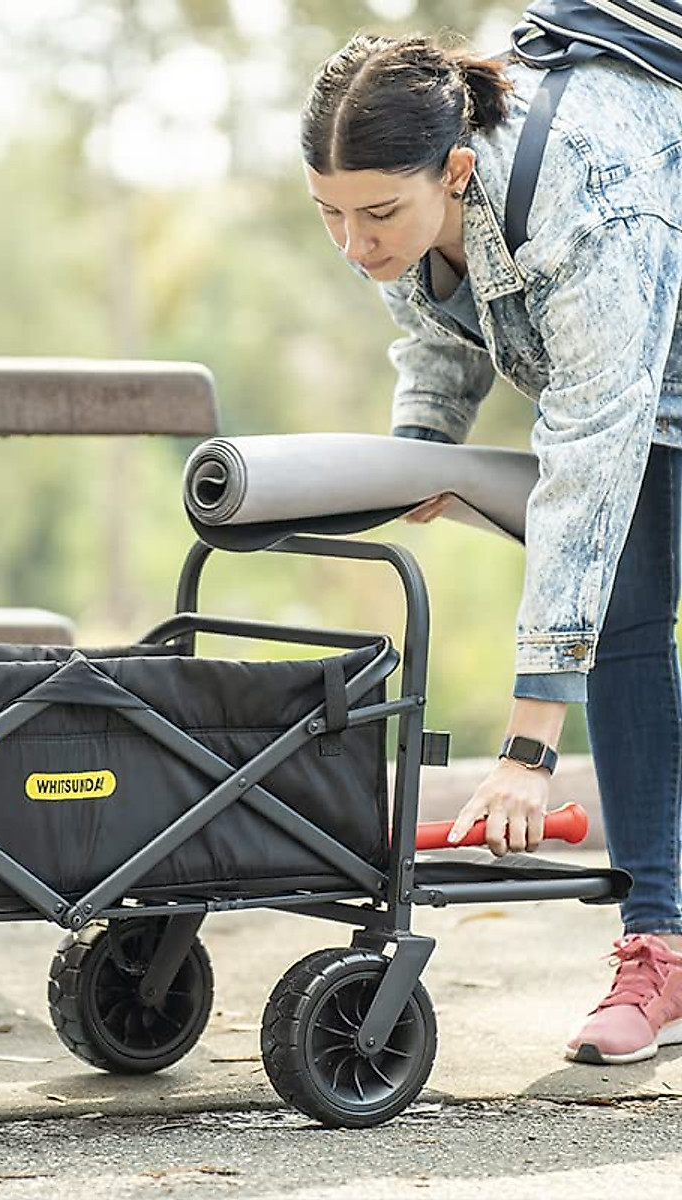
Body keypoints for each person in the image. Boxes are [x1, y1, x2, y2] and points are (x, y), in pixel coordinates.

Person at [299, 31, 682, 1065]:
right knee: (632, 624)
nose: (354, 243)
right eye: (329, 211)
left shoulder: (588, 205)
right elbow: (435, 331)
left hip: (650, 330)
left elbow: (589, 465)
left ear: (456, 173)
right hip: (631, 376)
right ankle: (665, 946)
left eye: (378, 214)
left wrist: (525, 752)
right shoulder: (406, 205)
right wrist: (417, 459)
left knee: (608, 588)